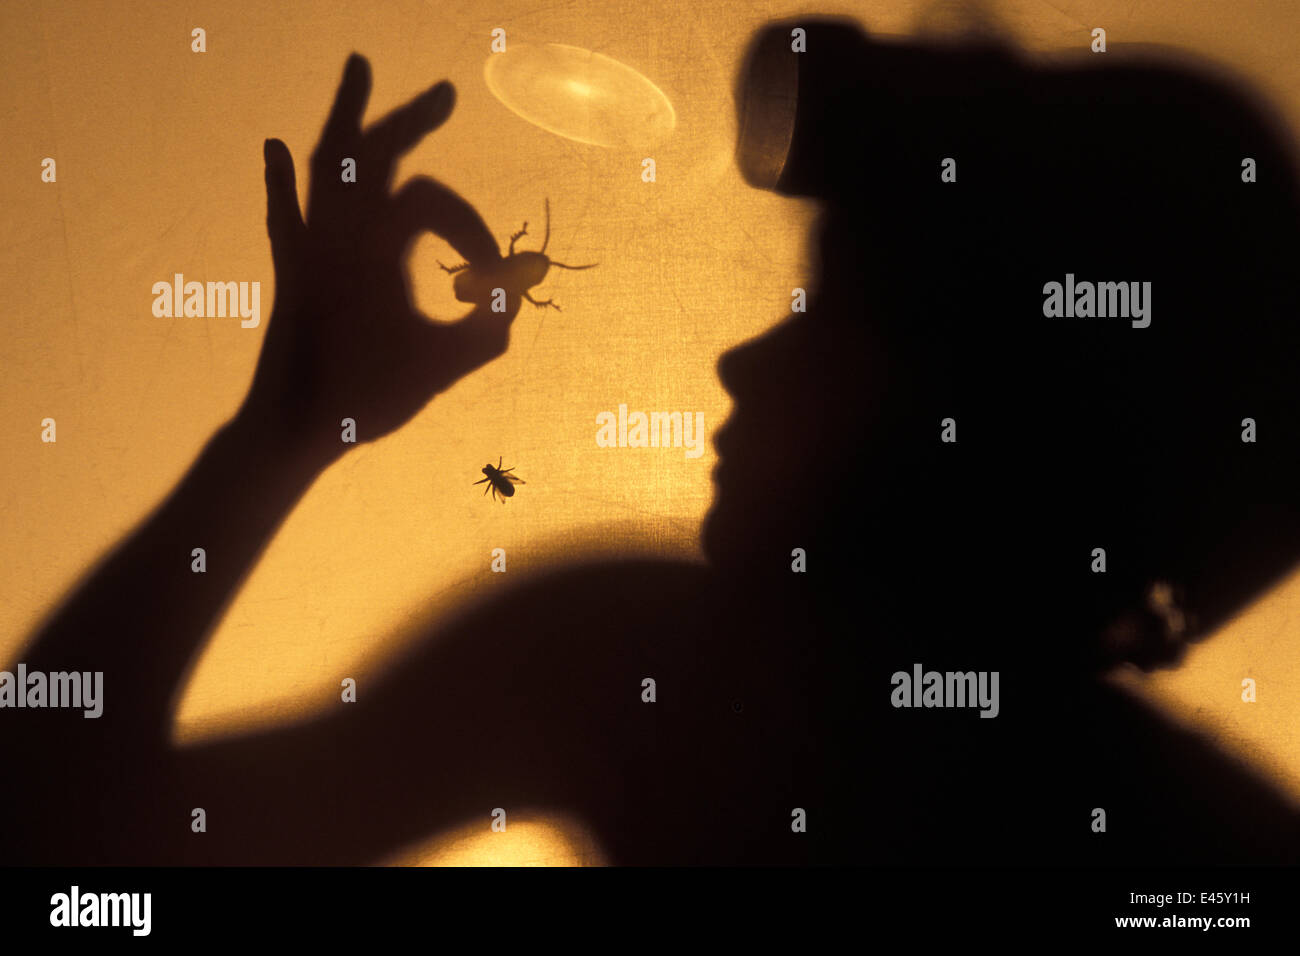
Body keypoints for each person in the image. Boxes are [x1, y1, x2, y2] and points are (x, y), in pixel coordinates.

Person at [7, 23, 1300, 865]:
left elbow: (55, 853)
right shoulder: (1215, 847)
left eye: (831, 313)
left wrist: (280, 434)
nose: (742, 357)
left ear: (980, 406)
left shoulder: (674, 676)